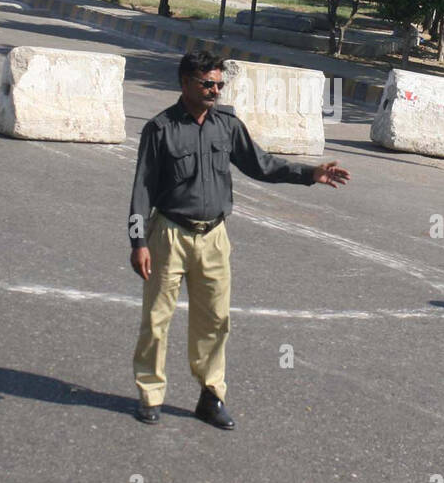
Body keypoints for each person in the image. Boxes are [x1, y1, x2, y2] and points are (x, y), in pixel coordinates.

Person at [127, 51, 351, 428]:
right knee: (156, 319)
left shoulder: (226, 125)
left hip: (214, 237)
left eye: (218, 84)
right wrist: (138, 242)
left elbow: (261, 165)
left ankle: (211, 396)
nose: (215, 90)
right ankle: (151, 394)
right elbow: (141, 191)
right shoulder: (160, 129)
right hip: (169, 234)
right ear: (185, 83)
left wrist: (309, 173)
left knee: (215, 321)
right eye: (207, 84)